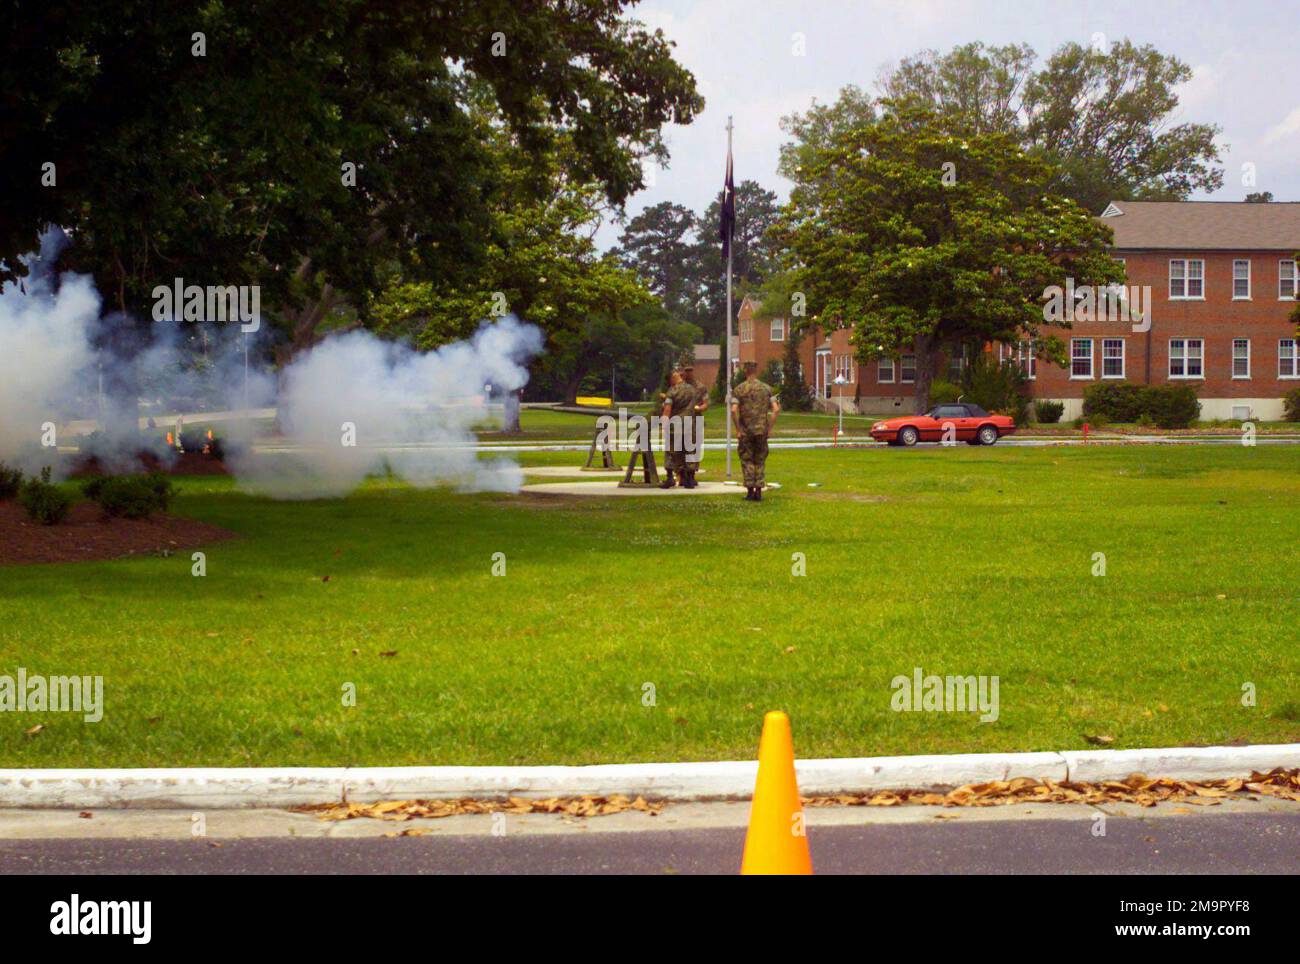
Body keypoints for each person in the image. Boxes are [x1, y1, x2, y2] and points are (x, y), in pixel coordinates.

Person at [731, 361, 779, 501]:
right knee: (760, 460)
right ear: (756, 370)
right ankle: (759, 490)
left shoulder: (739, 389)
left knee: (747, 460)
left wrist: (738, 429)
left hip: (746, 431)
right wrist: (769, 428)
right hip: (761, 430)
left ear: (745, 371)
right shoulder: (766, 388)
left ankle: (750, 491)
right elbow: (776, 409)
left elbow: (734, 410)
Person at [660, 370, 697, 489]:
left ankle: (670, 477)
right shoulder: (692, 389)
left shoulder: (672, 391)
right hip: (689, 424)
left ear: (672, 379)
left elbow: (667, 410)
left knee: (671, 451)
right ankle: (690, 479)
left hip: (675, 424)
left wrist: (664, 426)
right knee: (689, 450)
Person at [683, 363, 709, 479]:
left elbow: (706, 404)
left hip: (695, 420)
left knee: (695, 447)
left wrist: (698, 408)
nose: (688, 373)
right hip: (681, 422)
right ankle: (681, 474)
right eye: (686, 371)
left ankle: (691, 475)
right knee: (680, 448)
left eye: (690, 371)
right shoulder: (680, 387)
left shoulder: (700, 387)